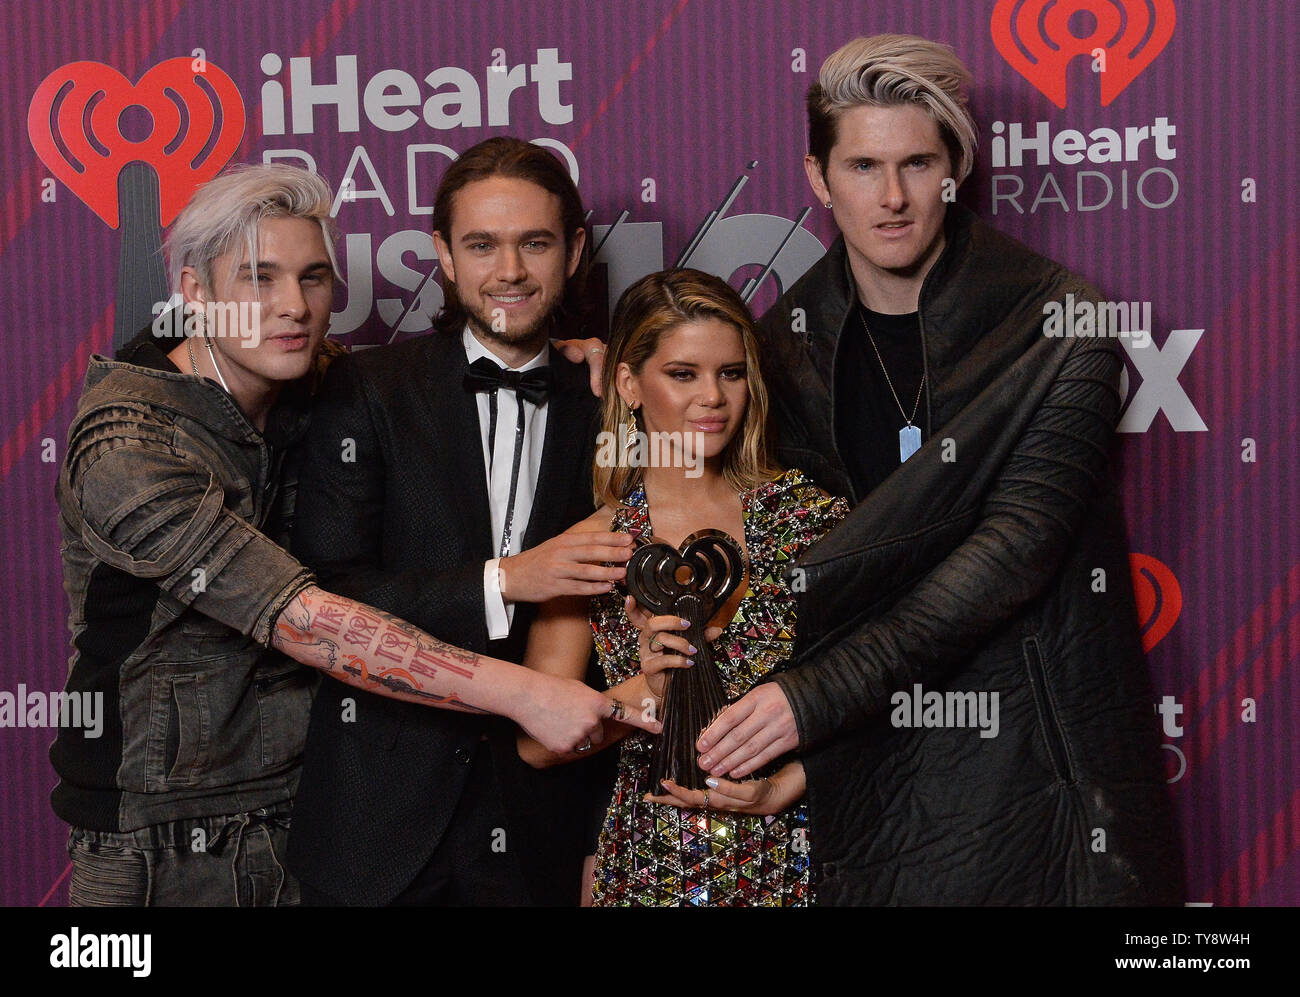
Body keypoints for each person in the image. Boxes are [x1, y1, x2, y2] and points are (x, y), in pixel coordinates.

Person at [50, 163, 639, 907]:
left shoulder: (315, 382)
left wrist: (571, 357)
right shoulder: (126, 442)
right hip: (157, 838)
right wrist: (526, 691)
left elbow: (451, 370)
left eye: (313, 277)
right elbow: (310, 623)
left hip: (297, 818)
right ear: (195, 292)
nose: (293, 306)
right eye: (258, 280)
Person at [690, 35, 1184, 904]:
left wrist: (812, 699)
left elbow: (1015, 551)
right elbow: (789, 566)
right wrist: (600, 382)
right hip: (875, 780)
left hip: (1044, 769)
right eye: (863, 165)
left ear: (957, 165)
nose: (892, 198)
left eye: (918, 162)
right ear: (818, 177)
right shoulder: (778, 350)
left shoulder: (1062, 321)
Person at [285, 138, 634, 907]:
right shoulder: (367, 388)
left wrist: (600, 838)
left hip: (541, 825)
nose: (509, 270)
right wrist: (508, 580)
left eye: (534, 242)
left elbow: (628, 641)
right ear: (442, 253)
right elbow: (328, 598)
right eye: (482, 244)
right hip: (377, 826)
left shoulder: (614, 398)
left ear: (575, 250)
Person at [516, 268, 848, 906]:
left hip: (803, 858)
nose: (713, 398)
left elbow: (880, 692)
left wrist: (794, 781)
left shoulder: (814, 521)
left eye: (731, 372)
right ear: (629, 384)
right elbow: (536, 745)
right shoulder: (593, 550)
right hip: (652, 865)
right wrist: (645, 693)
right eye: (683, 374)